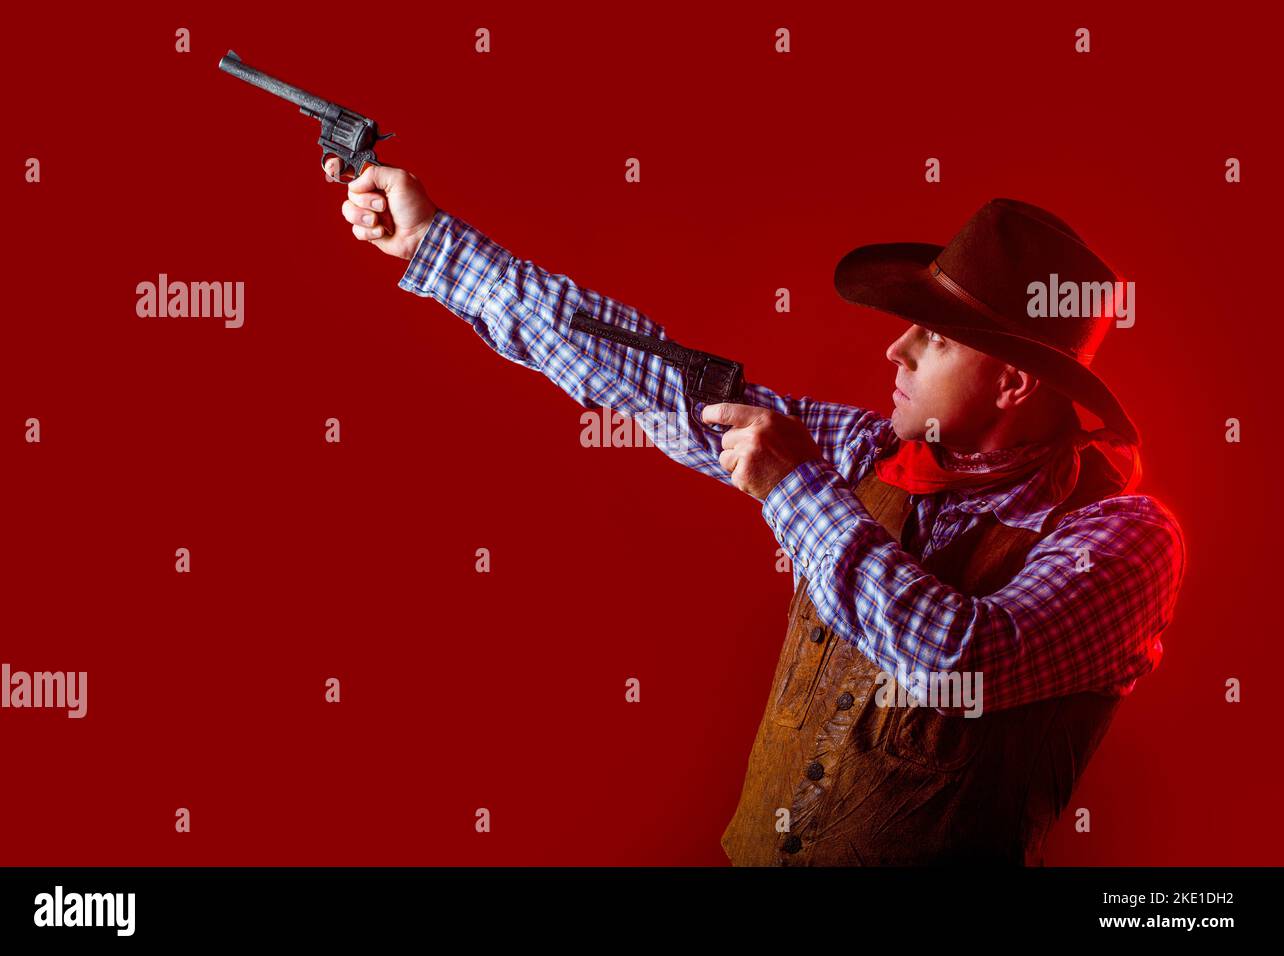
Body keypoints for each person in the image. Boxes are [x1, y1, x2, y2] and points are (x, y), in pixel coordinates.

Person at [324, 157, 1187, 865]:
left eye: (934, 336)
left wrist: (793, 485)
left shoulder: (1122, 537)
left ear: (1013, 381)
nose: (896, 347)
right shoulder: (868, 452)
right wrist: (435, 242)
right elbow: (650, 376)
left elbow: (964, 659)